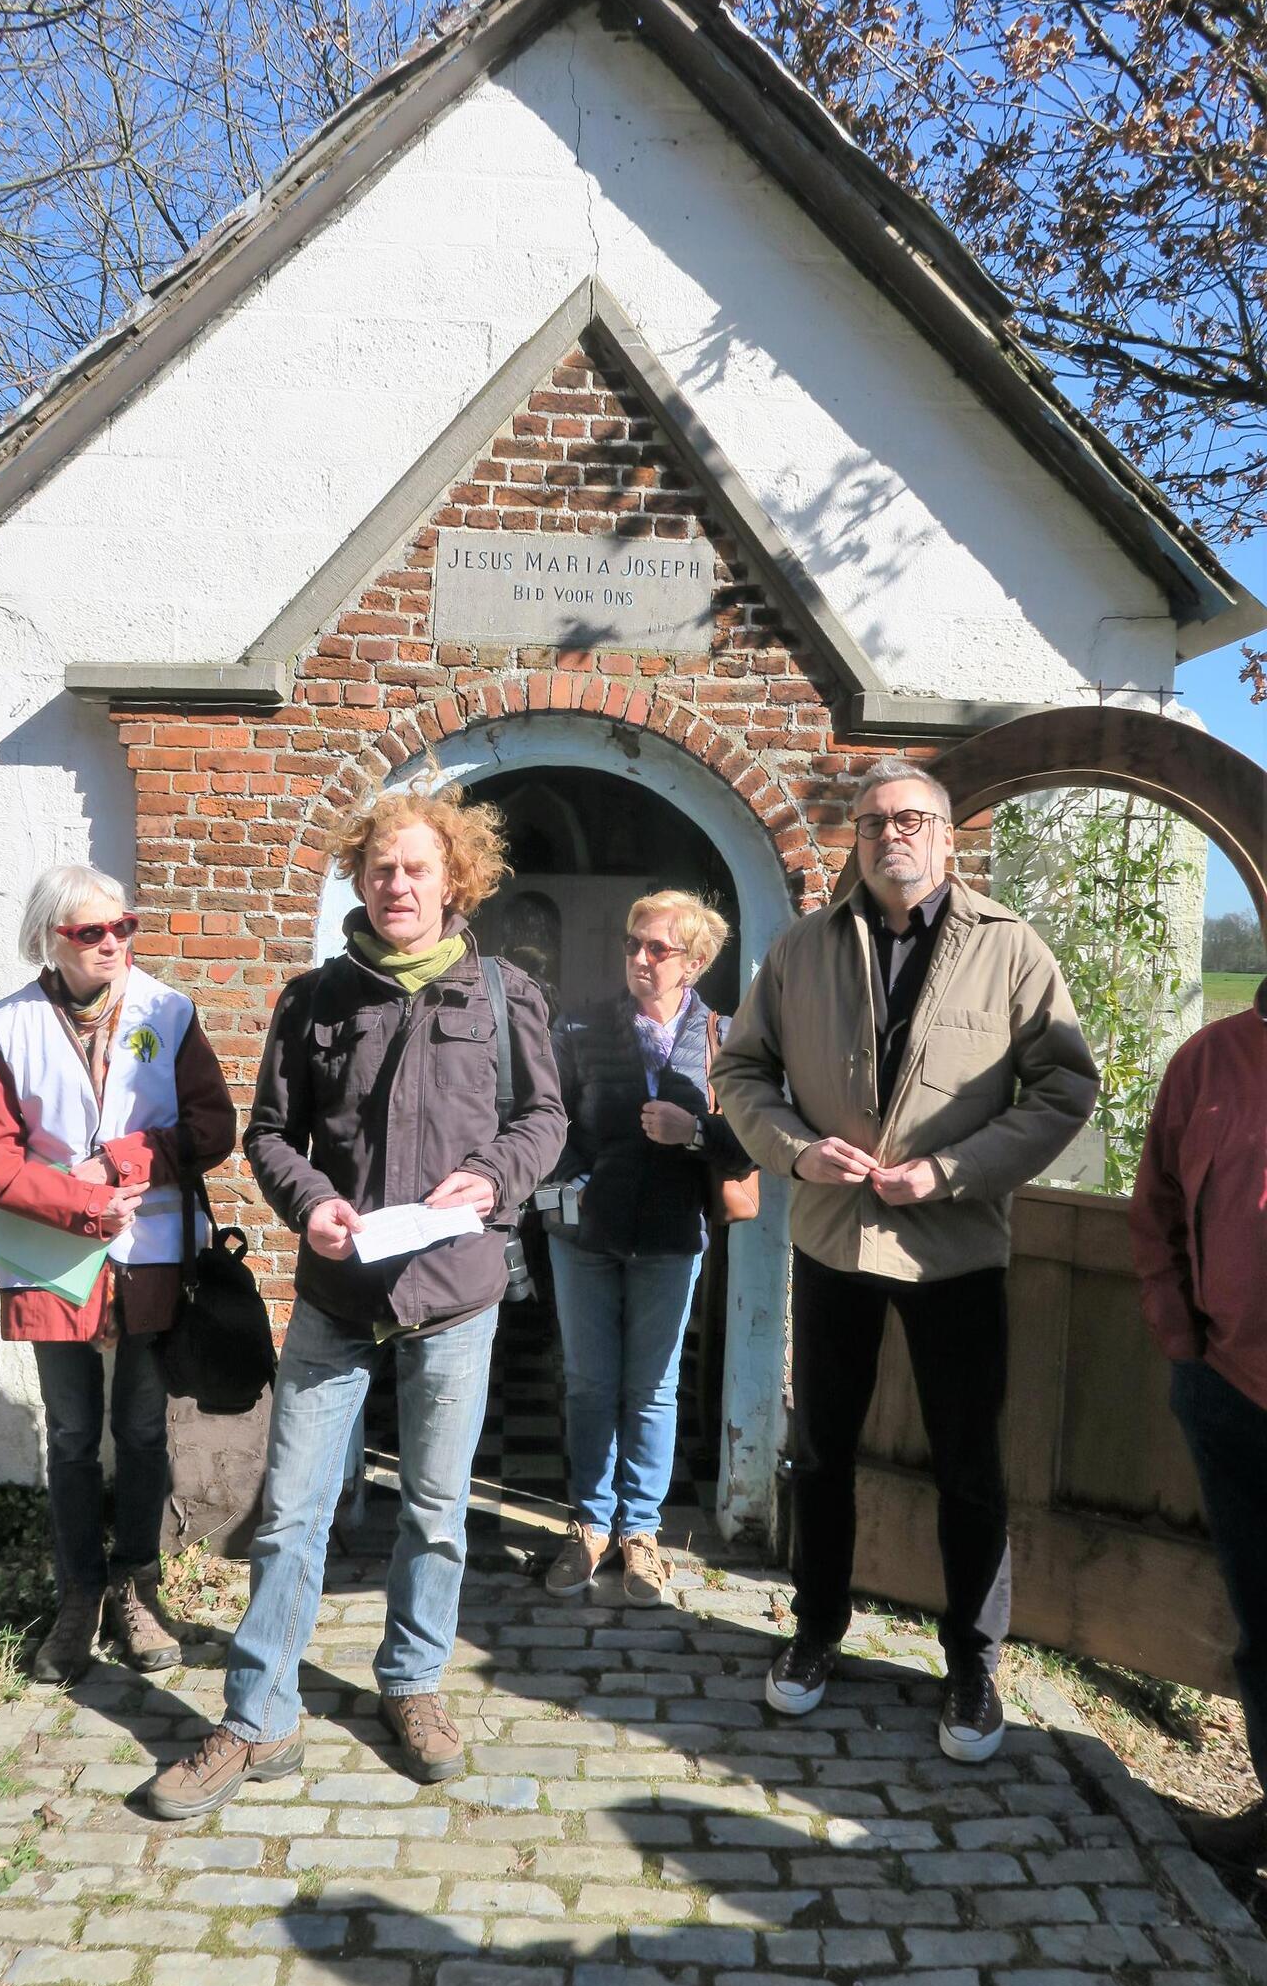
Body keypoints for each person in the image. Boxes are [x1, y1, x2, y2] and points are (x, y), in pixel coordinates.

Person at [146, 782, 565, 1817]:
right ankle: (259, 1717)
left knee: (435, 1509)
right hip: (337, 1292)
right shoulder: (314, 997)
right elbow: (272, 1134)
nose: (398, 885)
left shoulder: (506, 995)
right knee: (290, 1511)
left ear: (454, 878)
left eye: (418, 867)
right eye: (381, 868)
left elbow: (546, 1117)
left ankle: (413, 1685)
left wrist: (498, 1178)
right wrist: (314, 1202)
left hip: (455, 1292)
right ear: (360, 879)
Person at [712, 757, 1098, 1763]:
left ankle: (973, 1664)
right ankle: (813, 1633)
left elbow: (1062, 1089)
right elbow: (741, 1069)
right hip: (834, 1241)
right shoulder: (802, 948)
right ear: (856, 837)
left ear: (947, 836)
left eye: (915, 819)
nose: (895, 836)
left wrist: (957, 1171)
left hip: (955, 1250)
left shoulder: (1013, 951)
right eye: (877, 820)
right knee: (820, 1452)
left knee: (969, 1467)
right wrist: (797, 1148)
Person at [0, 865, 236, 1684]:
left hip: (147, 1255)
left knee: (144, 1429)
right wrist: (80, 1202)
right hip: (49, 1256)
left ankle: (138, 1586)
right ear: (53, 938)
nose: (112, 942)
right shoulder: (8, 1024)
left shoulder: (168, 1011)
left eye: (123, 926)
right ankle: (79, 1592)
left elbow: (211, 1126)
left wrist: (123, 1163)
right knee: (75, 1435)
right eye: (91, 932)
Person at [543, 890, 752, 1606]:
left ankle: (641, 1532)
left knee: (653, 1390)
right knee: (590, 1384)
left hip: (670, 1234)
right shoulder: (584, 1024)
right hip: (585, 1233)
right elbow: (550, 1117)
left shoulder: (725, 1036)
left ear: (692, 961)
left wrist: (690, 1133)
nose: (638, 957)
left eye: (656, 948)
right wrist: (570, 1176)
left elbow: (756, 1136)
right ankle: (590, 1525)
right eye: (633, 943)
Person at [1129, 973, 1267, 1865]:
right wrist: (1184, 1344)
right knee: (1263, 1621)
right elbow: (1158, 1211)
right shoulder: (1208, 1062)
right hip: (1230, 1393)